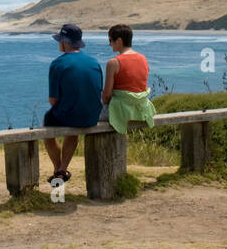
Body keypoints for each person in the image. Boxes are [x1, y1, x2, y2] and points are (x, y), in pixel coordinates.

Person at [43, 23, 103, 185]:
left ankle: (58, 169)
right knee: (73, 122)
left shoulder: (58, 64)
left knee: (47, 124)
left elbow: (53, 100)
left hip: (72, 116)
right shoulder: (94, 62)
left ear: (64, 42)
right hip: (91, 116)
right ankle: (63, 169)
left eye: (59, 40)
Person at [101, 24, 155, 134]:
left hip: (122, 110)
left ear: (119, 41)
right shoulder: (143, 59)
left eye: (110, 40)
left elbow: (107, 95)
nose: (109, 44)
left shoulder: (113, 63)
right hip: (141, 109)